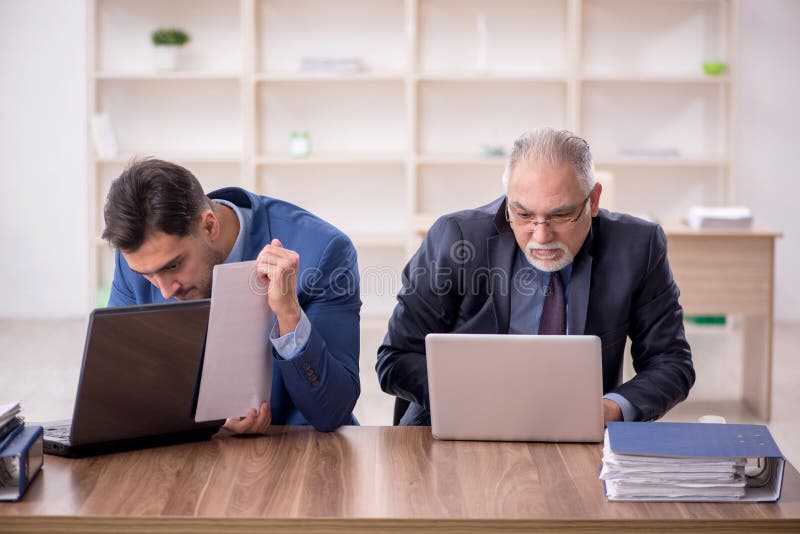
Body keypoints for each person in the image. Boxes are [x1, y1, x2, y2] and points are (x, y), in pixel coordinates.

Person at [377, 128, 695, 426]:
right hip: (460, 426)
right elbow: (396, 358)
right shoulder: (457, 238)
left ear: (594, 200)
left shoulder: (638, 245)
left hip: (579, 432)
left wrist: (610, 409)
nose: (540, 237)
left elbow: (670, 361)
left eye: (560, 215)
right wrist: (479, 402)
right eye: (524, 215)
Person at [102, 158, 361, 433]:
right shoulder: (140, 257)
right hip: (188, 456)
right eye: (147, 274)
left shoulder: (322, 251)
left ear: (210, 226)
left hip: (298, 453)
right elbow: (119, 391)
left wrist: (288, 314)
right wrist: (204, 425)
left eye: (173, 265)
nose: (166, 290)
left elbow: (332, 411)